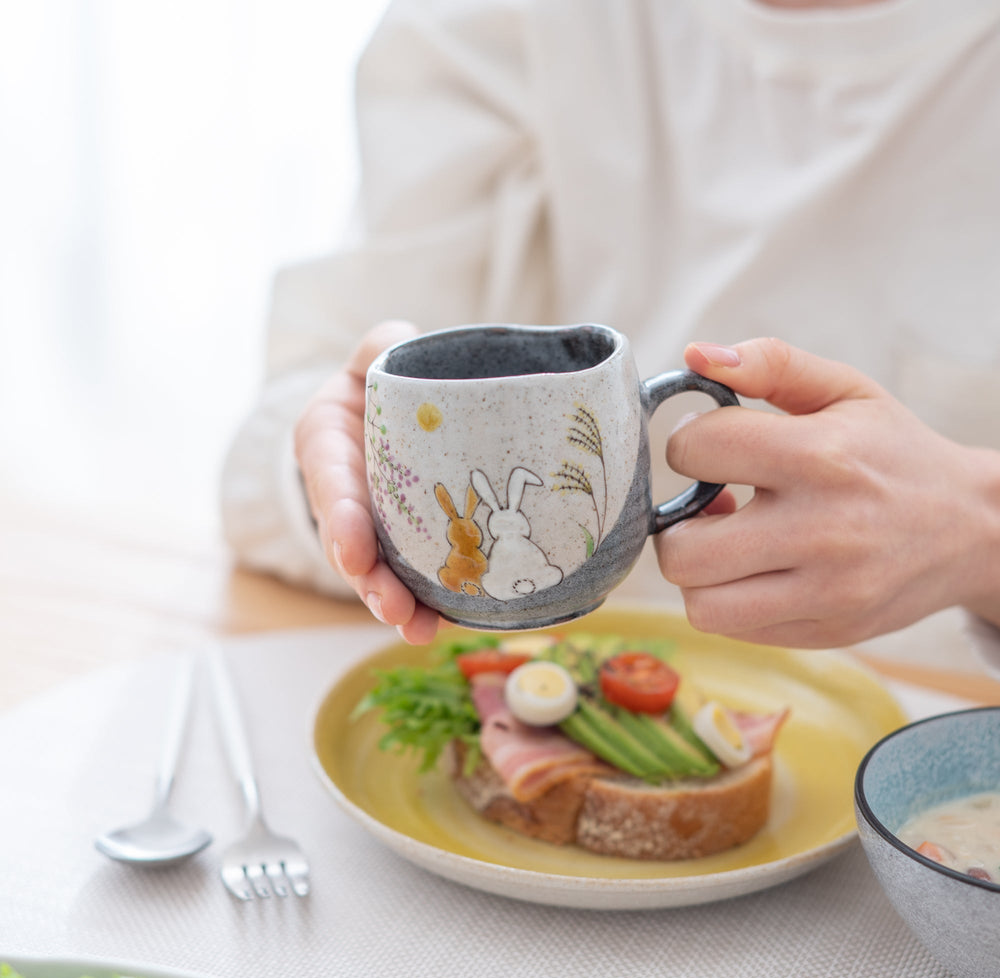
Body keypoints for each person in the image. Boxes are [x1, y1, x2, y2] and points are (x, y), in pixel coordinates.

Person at [221, 0, 1000, 670]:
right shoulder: (509, 23)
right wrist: (343, 479)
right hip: (552, 679)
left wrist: (980, 523)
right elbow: (283, 440)